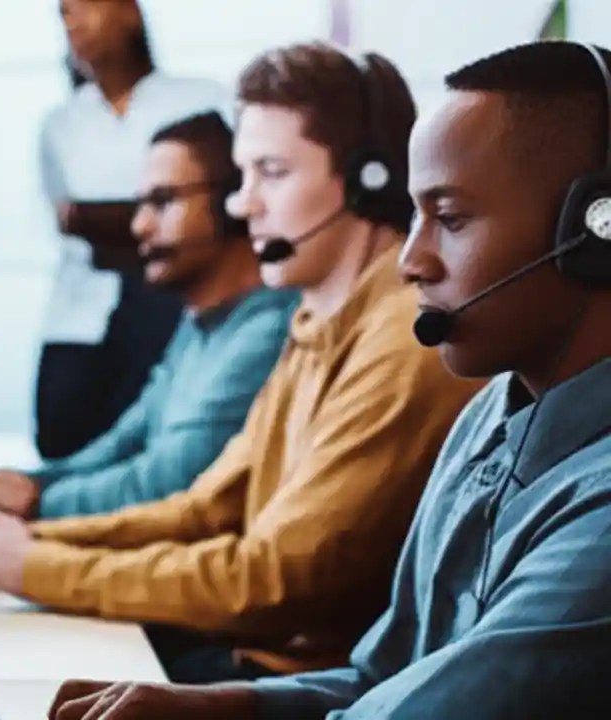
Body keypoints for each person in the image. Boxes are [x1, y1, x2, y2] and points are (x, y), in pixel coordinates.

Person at [44, 40, 611, 720]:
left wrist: (36, 562)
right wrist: (217, 707)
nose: (412, 259)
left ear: (596, 231)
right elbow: (386, 675)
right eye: (417, 214)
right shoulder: (490, 418)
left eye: (451, 219)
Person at [0, 42, 484, 683]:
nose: (243, 204)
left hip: (292, 682)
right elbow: (205, 508)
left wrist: (39, 568)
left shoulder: (399, 343)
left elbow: (275, 578)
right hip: (254, 658)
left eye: (271, 173)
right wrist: (34, 545)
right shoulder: (319, 321)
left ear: (367, 181)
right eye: (243, 176)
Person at [0, 112, 298, 520]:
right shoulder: (200, 322)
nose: (140, 226)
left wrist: (40, 502)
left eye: (163, 202)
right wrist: (33, 482)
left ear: (232, 202)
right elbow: (127, 441)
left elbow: (171, 483)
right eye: (140, 205)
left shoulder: (267, 331)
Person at [34, 0, 228, 459]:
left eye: (83, 7)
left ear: (129, 12)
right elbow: (62, 222)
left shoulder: (201, 99)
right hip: (81, 307)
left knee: (154, 443)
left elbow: (221, 213)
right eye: (62, 13)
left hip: (170, 306)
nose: (72, 21)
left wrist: (97, 222)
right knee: (60, 436)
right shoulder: (61, 123)